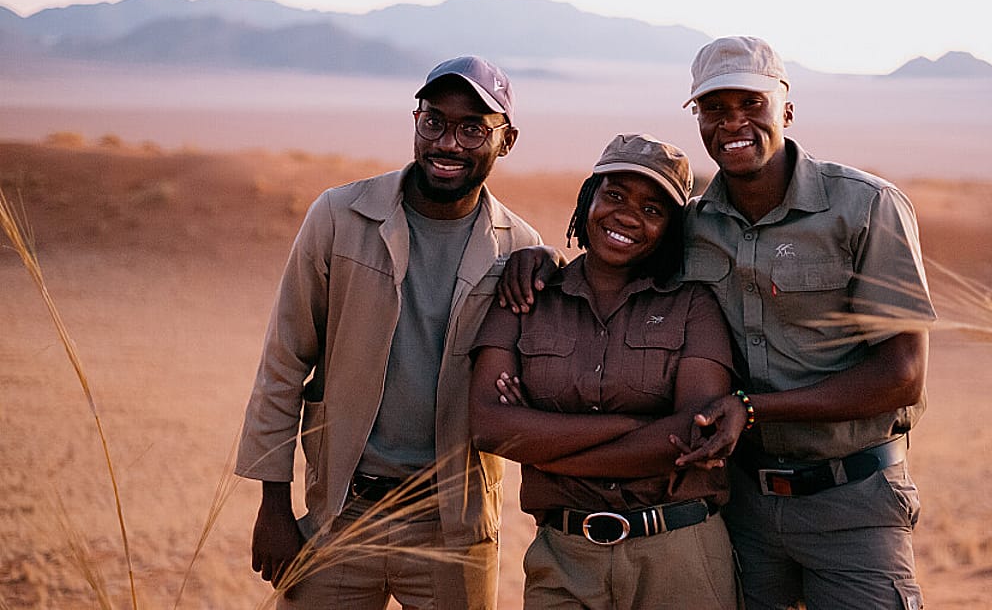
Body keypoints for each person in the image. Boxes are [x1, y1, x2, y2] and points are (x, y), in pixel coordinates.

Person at [500, 37, 936, 610]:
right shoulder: (693, 225)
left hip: (851, 499)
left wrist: (753, 410)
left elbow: (903, 375)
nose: (733, 122)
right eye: (714, 108)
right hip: (743, 509)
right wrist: (546, 261)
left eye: (750, 104)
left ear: (785, 106)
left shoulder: (865, 208)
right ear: (698, 117)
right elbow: (620, 252)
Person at [235, 55, 545, 610]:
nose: (448, 143)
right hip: (341, 515)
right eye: (434, 121)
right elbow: (283, 363)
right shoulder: (339, 217)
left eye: (473, 128)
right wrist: (274, 507)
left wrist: (550, 267)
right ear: (416, 122)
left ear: (507, 140)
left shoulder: (519, 248)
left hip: (454, 526)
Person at [470, 133, 741, 610]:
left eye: (654, 210)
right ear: (587, 198)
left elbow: (691, 436)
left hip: (678, 553)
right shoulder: (526, 297)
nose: (628, 216)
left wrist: (546, 452)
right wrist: (634, 428)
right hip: (563, 558)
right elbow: (490, 426)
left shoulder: (694, 307)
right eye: (614, 195)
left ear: (672, 228)